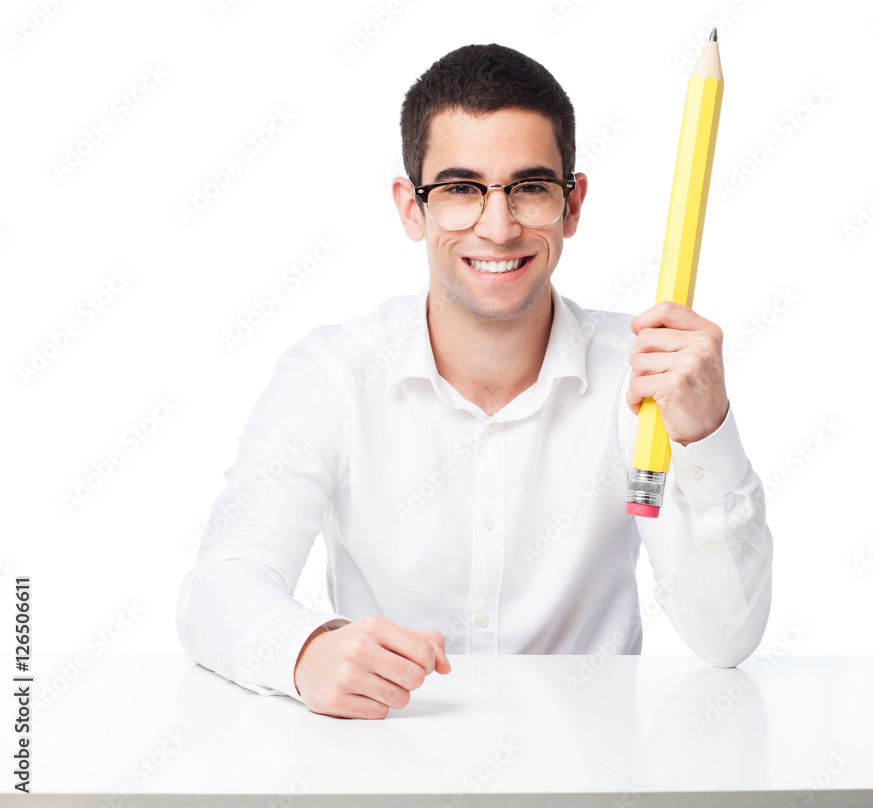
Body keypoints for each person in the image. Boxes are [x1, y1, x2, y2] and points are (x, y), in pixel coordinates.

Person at [177, 43, 773, 720]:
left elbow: (727, 636)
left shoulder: (643, 377)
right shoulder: (332, 376)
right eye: (461, 189)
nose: (499, 226)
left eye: (530, 188)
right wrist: (306, 650)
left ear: (571, 204)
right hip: (387, 770)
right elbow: (218, 588)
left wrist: (706, 435)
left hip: (591, 779)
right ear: (411, 208)